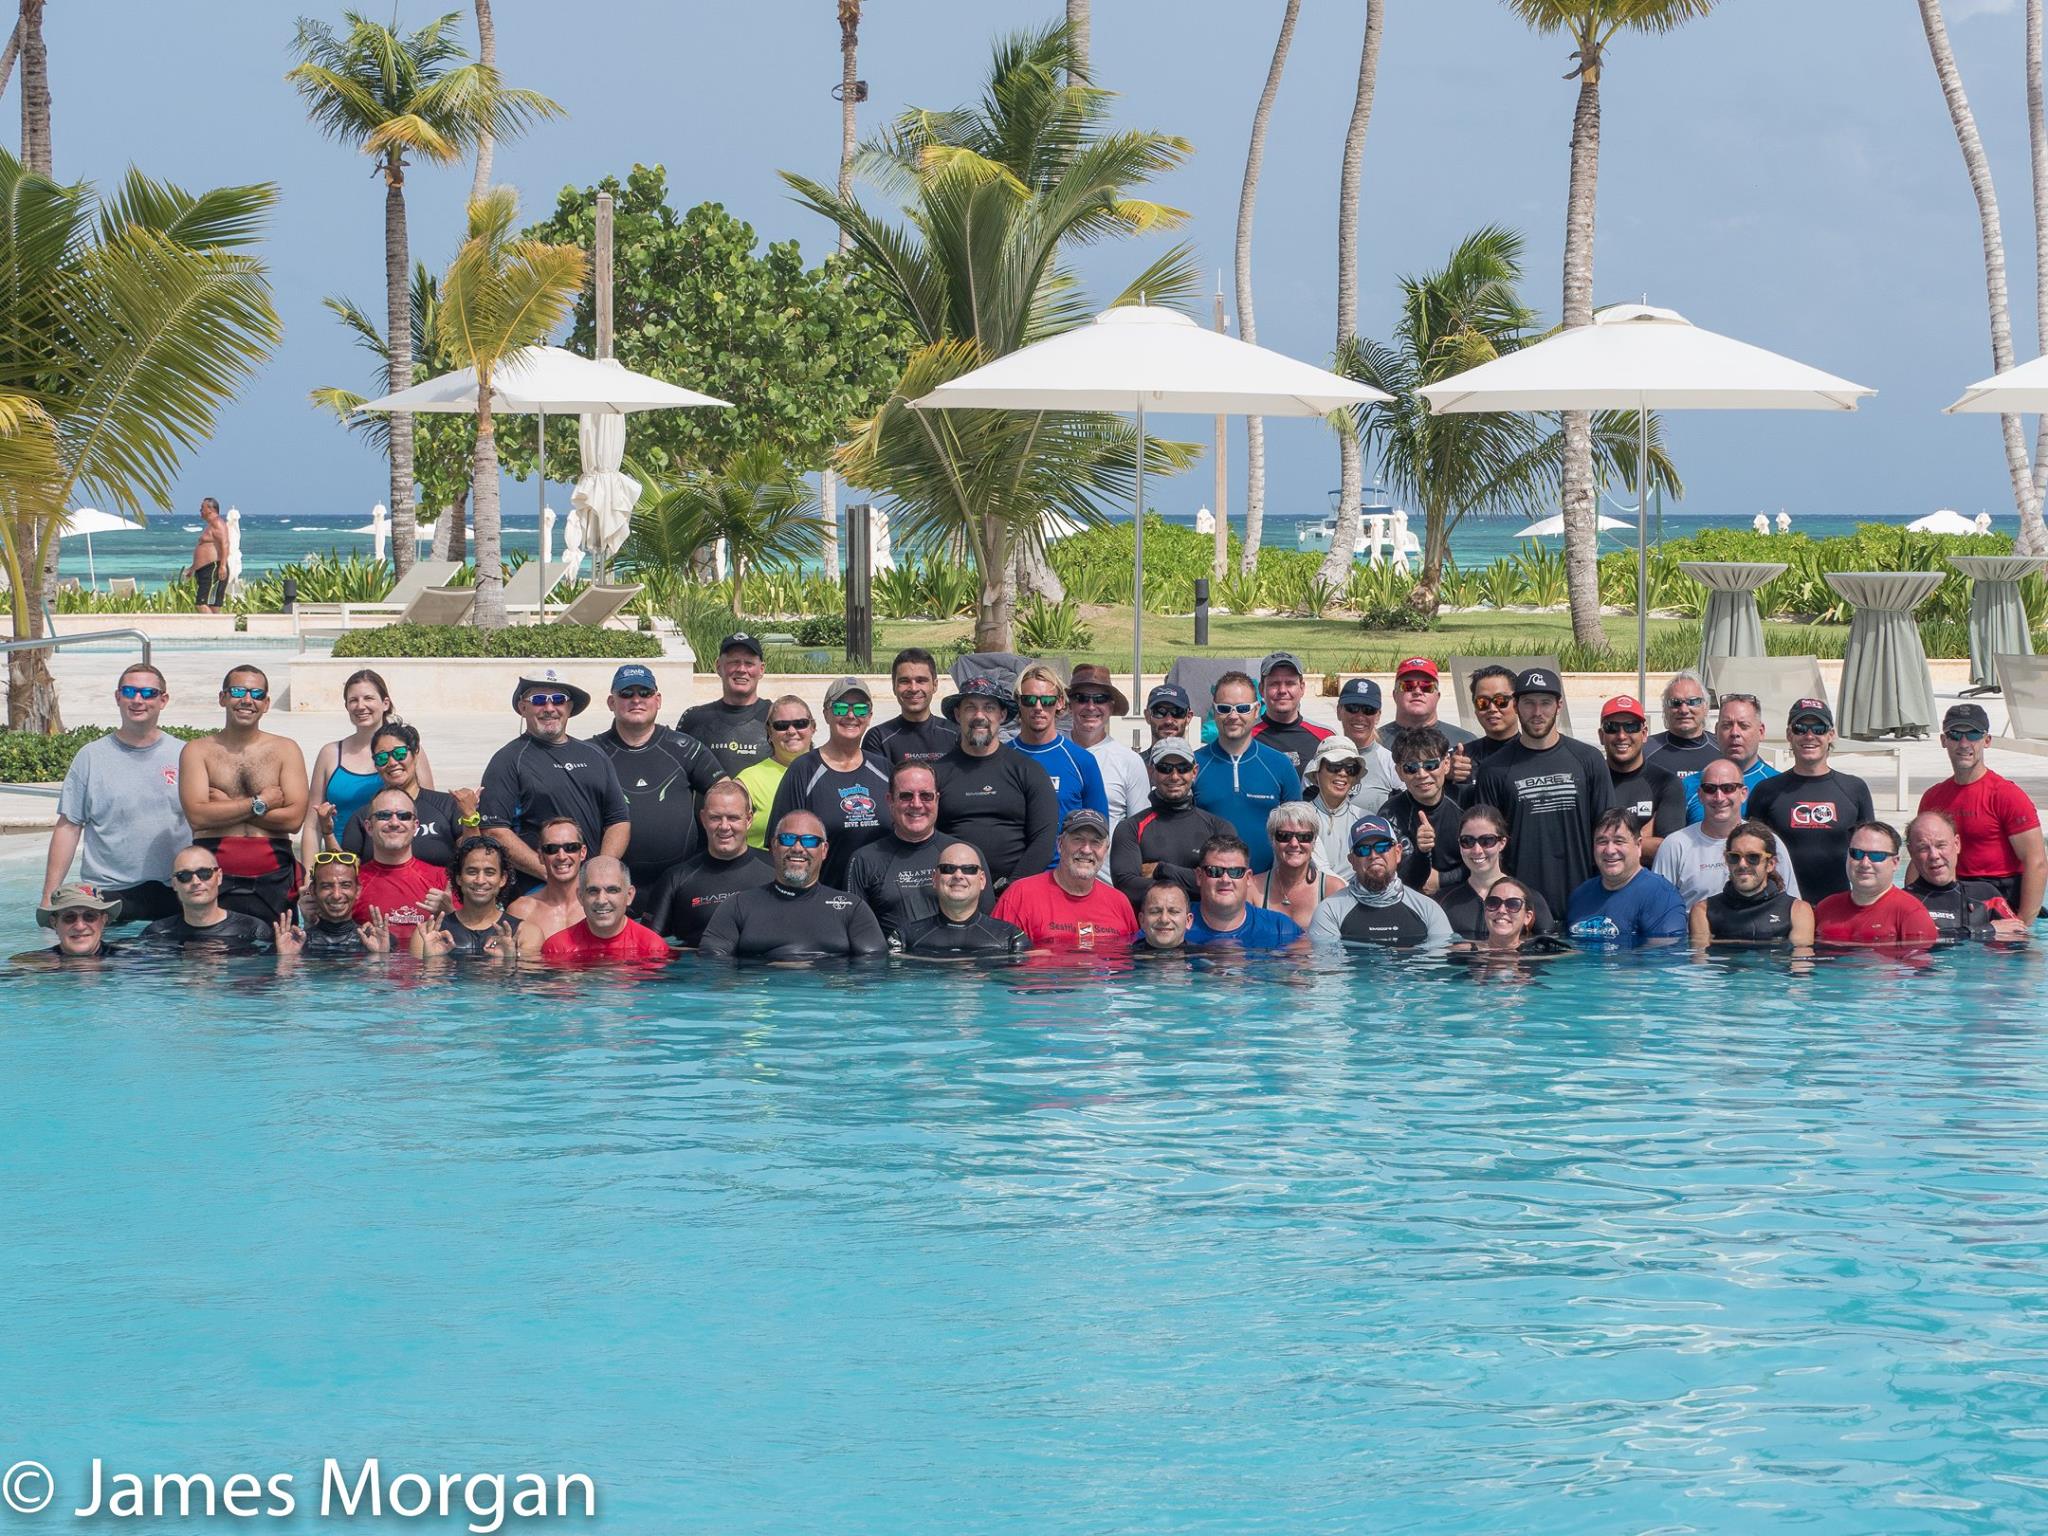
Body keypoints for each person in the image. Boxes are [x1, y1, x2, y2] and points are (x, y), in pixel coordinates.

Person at [45, 662, 188, 923]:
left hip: (174, 890)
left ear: (163, 700)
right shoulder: (90, 757)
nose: (138, 700)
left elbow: (206, 821)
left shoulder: (185, 755)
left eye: (148, 693)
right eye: (129, 691)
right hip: (108, 893)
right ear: (117, 697)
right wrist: (47, 899)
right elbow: (68, 827)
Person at [1471, 667, 1615, 918]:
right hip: (1518, 908)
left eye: (1545, 703)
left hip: (1585, 900)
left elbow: (1608, 832)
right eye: (1529, 703)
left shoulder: (1588, 760)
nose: (1537, 712)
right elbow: (1488, 846)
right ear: (1515, 706)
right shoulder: (1494, 769)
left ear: (1559, 705)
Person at [178, 665, 309, 924]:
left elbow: (294, 820)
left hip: (274, 875)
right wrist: (261, 803)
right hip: (211, 876)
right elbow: (197, 816)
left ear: (267, 703)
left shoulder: (285, 749)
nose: (247, 700)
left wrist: (227, 806)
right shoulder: (197, 751)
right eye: (238, 691)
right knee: (210, 955)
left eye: (257, 694)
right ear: (222, 697)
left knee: (278, 955)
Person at [479, 668, 631, 886]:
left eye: (558, 700)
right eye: (539, 700)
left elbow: (618, 821)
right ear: (523, 708)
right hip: (535, 890)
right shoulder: (508, 760)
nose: (549, 708)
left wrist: (598, 873)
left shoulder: (595, 755)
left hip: (590, 890)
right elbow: (494, 830)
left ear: (569, 707)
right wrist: (552, 874)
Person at [592, 663, 725, 898]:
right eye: (626, 693)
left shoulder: (685, 748)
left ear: (658, 700)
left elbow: (727, 793)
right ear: (611, 702)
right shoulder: (591, 753)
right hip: (613, 888)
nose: (636, 700)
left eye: (645, 693)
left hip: (679, 884)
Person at [698, 811, 888, 960]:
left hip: (828, 1002)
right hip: (761, 1001)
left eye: (809, 840)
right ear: (773, 846)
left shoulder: (851, 909)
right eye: (787, 839)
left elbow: (872, 973)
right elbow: (714, 969)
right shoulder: (738, 906)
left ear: (824, 851)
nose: (797, 848)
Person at [1916, 702, 2046, 919]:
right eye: (1955, 734)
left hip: (2001, 896)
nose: (1964, 743)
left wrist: (2023, 923)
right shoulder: (1933, 797)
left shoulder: (2006, 795)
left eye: (1973, 734)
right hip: (1954, 894)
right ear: (1943, 740)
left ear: (1986, 741)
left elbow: (2037, 862)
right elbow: (1918, 857)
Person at [769, 676, 895, 889]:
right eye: (840, 708)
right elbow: (781, 843)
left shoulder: (884, 769)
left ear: (870, 716)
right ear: (826, 713)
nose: (851, 715)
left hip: (881, 899)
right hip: (824, 899)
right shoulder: (803, 770)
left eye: (861, 709)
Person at [933, 677, 1059, 888]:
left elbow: (1044, 841)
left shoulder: (1028, 771)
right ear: (957, 715)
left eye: (989, 708)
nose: (979, 716)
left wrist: (1013, 887)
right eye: (970, 708)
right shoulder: (937, 773)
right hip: (952, 889)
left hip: (1016, 892)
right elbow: (924, 836)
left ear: (1001, 715)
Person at [304, 669, 435, 871]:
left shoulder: (407, 753)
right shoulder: (330, 754)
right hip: (343, 867)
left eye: (368, 698)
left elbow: (428, 811)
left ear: (385, 703)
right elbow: (313, 825)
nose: (360, 706)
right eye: (353, 700)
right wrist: (309, 874)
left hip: (397, 865)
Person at [1745, 699, 1873, 903]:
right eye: (1801, 728)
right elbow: (1749, 851)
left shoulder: (1854, 789)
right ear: (1789, 734)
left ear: (1831, 735)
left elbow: (1871, 853)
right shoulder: (1767, 791)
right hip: (1781, 905)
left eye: (1819, 728)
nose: (1809, 736)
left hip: (1838, 906)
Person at [639, 781, 775, 948]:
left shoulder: (776, 870)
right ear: (703, 819)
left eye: (733, 818)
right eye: (715, 818)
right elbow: (648, 947)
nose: (724, 826)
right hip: (700, 970)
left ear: (748, 819)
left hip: (764, 971)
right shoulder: (677, 878)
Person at [1192, 671, 1302, 875]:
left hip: (1267, 890)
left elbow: (1298, 831)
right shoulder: (1194, 765)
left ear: (1257, 710)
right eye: (1224, 709)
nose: (1233, 716)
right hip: (1212, 886)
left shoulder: (1279, 765)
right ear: (1214, 711)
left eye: (1242, 709)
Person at [1654, 757, 1801, 908]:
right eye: (1710, 789)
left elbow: (1792, 906)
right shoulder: (1675, 845)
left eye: (1728, 788)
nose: (1719, 797)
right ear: (1700, 795)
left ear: (1743, 794)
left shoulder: (1770, 842)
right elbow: (1659, 910)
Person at [1109, 736, 1232, 908]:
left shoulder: (1218, 828)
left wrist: (1162, 870)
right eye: (1165, 768)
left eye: (1183, 768)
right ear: (1152, 772)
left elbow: (1226, 883)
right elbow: (1127, 886)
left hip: (1206, 929)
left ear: (1194, 772)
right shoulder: (1130, 828)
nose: (1174, 776)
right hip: (1152, 930)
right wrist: (1198, 880)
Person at [331, 722, 473, 869]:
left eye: (400, 754)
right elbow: (347, 873)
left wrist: (470, 817)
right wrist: (327, 832)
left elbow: (473, 860)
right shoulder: (362, 817)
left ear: (415, 753)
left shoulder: (448, 806)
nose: (392, 762)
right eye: (382, 758)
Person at [991, 809, 1138, 948]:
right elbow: (997, 962)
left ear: (1105, 850)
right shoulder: (1020, 895)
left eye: (1096, 842)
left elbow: (1132, 962)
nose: (1086, 850)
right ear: (1060, 844)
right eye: (1078, 839)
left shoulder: (1119, 902)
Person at [1308, 815, 1456, 946]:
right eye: (1363, 850)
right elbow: (1327, 971)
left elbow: (1438, 970)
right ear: (1352, 861)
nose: (1373, 855)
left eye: (1382, 847)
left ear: (1398, 853)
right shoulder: (1330, 911)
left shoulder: (1428, 909)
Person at [1007, 664, 1109, 853]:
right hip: (1014, 873)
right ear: (1018, 703)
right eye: (1029, 700)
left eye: (1046, 700)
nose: (1038, 707)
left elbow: (1099, 829)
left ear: (1060, 702)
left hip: (1063, 873)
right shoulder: (1002, 758)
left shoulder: (1082, 761)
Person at [846, 761, 954, 936]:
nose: (917, 804)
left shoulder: (963, 854)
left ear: (937, 799)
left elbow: (983, 923)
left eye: (926, 796)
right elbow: (856, 932)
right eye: (906, 796)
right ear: (890, 800)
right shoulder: (864, 860)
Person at [1433, 804, 1560, 941]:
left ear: (1502, 843)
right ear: (1459, 844)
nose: (1477, 850)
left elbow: (1550, 954)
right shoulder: (1442, 902)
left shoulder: (1530, 899)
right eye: (1467, 841)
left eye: (1487, 841)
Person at [1564, 810, 1689, 946]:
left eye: (1619, 841)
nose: (1610, 850)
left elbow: (1664, 960)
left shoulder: (1662, 897)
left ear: (1638, 846)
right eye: (1602, 841)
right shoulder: (1580, 896)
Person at [1903, 809, 2029, 941]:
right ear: (1911, 852)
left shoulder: (1987, 894)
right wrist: (1987, 930)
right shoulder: (1903, 903)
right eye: (1923, 848)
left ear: (1957, 844)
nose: (1934, 855)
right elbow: (1919, 941)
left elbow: (2020, 941)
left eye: (1941, 845)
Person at [1689, 819, 1814, 947]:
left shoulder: (1798, 911)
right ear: (1726, 860)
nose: (1742, 864)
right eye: (1734, 857)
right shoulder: (1703, 912)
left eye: (1753, 857)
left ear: (1770, 864)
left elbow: (1800, 963)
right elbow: (1701, 964)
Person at [1813, 820, 1939, 946]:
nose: (1865, 863)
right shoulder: (1825, 908)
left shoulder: (1911, 914)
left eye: (1876, 856)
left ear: (1895, 863)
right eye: (1857, 853)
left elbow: (1919, 963)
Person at [892, 841, 1029, 957]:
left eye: (969, 869)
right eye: (948, 868)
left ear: (982, 880)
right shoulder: (904, 938)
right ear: (934, 879)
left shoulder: (1011, 938)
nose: (958, 875)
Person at [413, 837, 539, 960]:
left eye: (489, 872)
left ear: (503, 879)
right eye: (472, 872)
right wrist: (431, 960)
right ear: (459, 878)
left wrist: (508, 961)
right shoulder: (426, 935)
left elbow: (528, 980)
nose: (480, 880)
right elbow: (419, 980)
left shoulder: (526, 934)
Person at [351, 787, 450, 942]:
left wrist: (449, 914)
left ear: (415, 826)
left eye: (404, 816)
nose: (394, 823)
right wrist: (311, 917)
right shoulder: (350, 883)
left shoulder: (443, 879)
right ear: (369, 827)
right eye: (384, 815)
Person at [137, 844, 276, 953]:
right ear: (174, 884)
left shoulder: (253, 930)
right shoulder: (157, 932)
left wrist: (285, 956)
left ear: (219, 876)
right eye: (184, 876)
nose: (196, 881)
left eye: (204, 873)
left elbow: (269, 975)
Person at [1598, 695, 1685, 865]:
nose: (1622, 735)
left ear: (1644, 734)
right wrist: (1640, 838)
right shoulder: (1590, 782)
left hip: (1648, 886)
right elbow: (1581, 845)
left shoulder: (1666, 782)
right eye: (1612, 727)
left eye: (1631, 727)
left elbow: (1669, 850)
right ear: (1601, 736)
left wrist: (1604, 841)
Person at [1380, 726, 1463, 896]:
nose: (1422, 774)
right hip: (1412, 898)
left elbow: (1492, 859)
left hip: (1462, 896)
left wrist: (1443, 879)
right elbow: (1398, 875)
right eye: (1410, 768)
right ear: (1399, 772)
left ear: (1446, 764)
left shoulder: (1466, 801)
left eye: (1431, 765)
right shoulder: (1389, 814)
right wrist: (1422, 852)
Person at [539, 857, 671, 964]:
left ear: (629, 895)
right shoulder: (556, 949)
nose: (601, 900)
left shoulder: (653, 948)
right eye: (593, 891)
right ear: (580, 897)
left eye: (612, 890)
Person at [676, 632, 773, 773]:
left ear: (761, 669)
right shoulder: (694, 718)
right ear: (718, 666)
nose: (741, 669)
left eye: (749, 663)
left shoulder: (778, 719)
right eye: (734, 662)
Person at [1066, 665, 1149, 830]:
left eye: (1100, 699)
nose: (1090, 706)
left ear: (1111, 707)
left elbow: (1141, 828)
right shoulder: (1054, 752)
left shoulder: (1130, 761)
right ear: (1070, 705)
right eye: (1082, 698)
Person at [1186, 833, 1303, 948]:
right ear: (1199, 877)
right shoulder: (1174, 924)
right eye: (1214, 871)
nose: (1225, 879)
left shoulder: (1281, 929)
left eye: (1235, 872)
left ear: (1248, 878)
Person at [1248, 801, 1347, 926]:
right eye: (1284, 836)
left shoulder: (1333, 889)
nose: (1294, 844)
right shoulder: (1252, 888)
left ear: (1314, 841)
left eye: (1304, 837)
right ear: (1272, 840)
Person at [1682, 692, 1777, 821]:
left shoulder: (1781, 787)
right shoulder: (1690, 786)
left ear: (1761, 732)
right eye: (1727, 726)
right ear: (1716, 731)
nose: (1734, 733)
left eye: (1744, 726)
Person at [736, 695, 814, 848]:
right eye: (781, 725)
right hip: (766, 868)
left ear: (813, 727)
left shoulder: (831, 771)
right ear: (769, 732)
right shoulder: (749, 781)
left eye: (800, 723)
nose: (791, 731)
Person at [863, 647, 959, 766]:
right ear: (894, 686)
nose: (913, 688)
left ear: (934, 685)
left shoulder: (956, 734)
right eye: (904, 681)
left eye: (921, 680)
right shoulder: (879, 738)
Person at [279, 854, 388, 958]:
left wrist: (380, 956)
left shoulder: (378, 941)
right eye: (327, 886)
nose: (336, 895)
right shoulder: (293, 944)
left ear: (358, 891)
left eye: (345, 885)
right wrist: (286, 959)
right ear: (313, 891)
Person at [505, 817, 587, 943]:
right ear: (541, 856)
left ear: (582, 852)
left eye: (570, 847)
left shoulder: (599, 906)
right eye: (551, 849)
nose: (561, 856)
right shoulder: (521, 911)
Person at [1250, 651, 1331, 772]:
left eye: (1290, 683)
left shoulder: (1325, 738)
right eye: (1274, 684)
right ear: (1261, 689)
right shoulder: (1245, 738)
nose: (1282, 690)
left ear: (1302, 688)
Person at [1331, 678, 1401, 812]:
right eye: (1353, 708)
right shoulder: (1322, 760)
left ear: (1378, 716)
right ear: (1339, 711)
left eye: (1368, 710)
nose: (1360, 716)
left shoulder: (1391, 763)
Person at [1300, 738, 1367, 876]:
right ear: (1316, 772)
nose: (1342, 773)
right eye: (1334, 766)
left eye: (1350, 768)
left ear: (1355, 777)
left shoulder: (1366, 820)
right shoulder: (1298, 819)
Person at [1378, 657, 1475, 750]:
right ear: (1395, 695)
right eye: (1408, 686)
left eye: (1427, 687)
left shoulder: (1466, 742)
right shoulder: (1375, 742)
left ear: (1438, 696)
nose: (1417, 691)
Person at [1643, 671, 1726, 774]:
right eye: (1675, 703)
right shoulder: (1645, 751)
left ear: (1706, 707)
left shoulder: (1723, 749)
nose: (1684, 710)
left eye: (1693, 702)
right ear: (1665, 709)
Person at [29, 883, 123, 962]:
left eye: (89, 916)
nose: (80, 926)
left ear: (103, 920)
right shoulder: (31, 965)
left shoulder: (128, 961)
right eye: (69, 917)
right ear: (54, 923)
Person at [1459, 665, 1521, 776]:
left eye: (1500, 701)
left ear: (1517, 703)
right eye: (1482, 702)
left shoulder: (1537, 754)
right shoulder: (1460, 760)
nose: (1492, 709)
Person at [187, 496, 226, 613]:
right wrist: (193, 568)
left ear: (210, 509)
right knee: (213, 606)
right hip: (206, 569)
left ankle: (214, 630)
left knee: (201, 603)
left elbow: (225, 544)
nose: (200, 511)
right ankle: (217, 630)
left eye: (202, 508)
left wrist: (223, 566)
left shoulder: (218, 523)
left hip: (213, 568)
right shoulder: (211, 525)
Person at [1135, 878, 1194, 952]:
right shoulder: (1126, 958)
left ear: (1188, 921)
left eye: (1174, 911)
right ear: (1142, 920)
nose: (1164, 919)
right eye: (1155, 911)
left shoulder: (1202, 958)